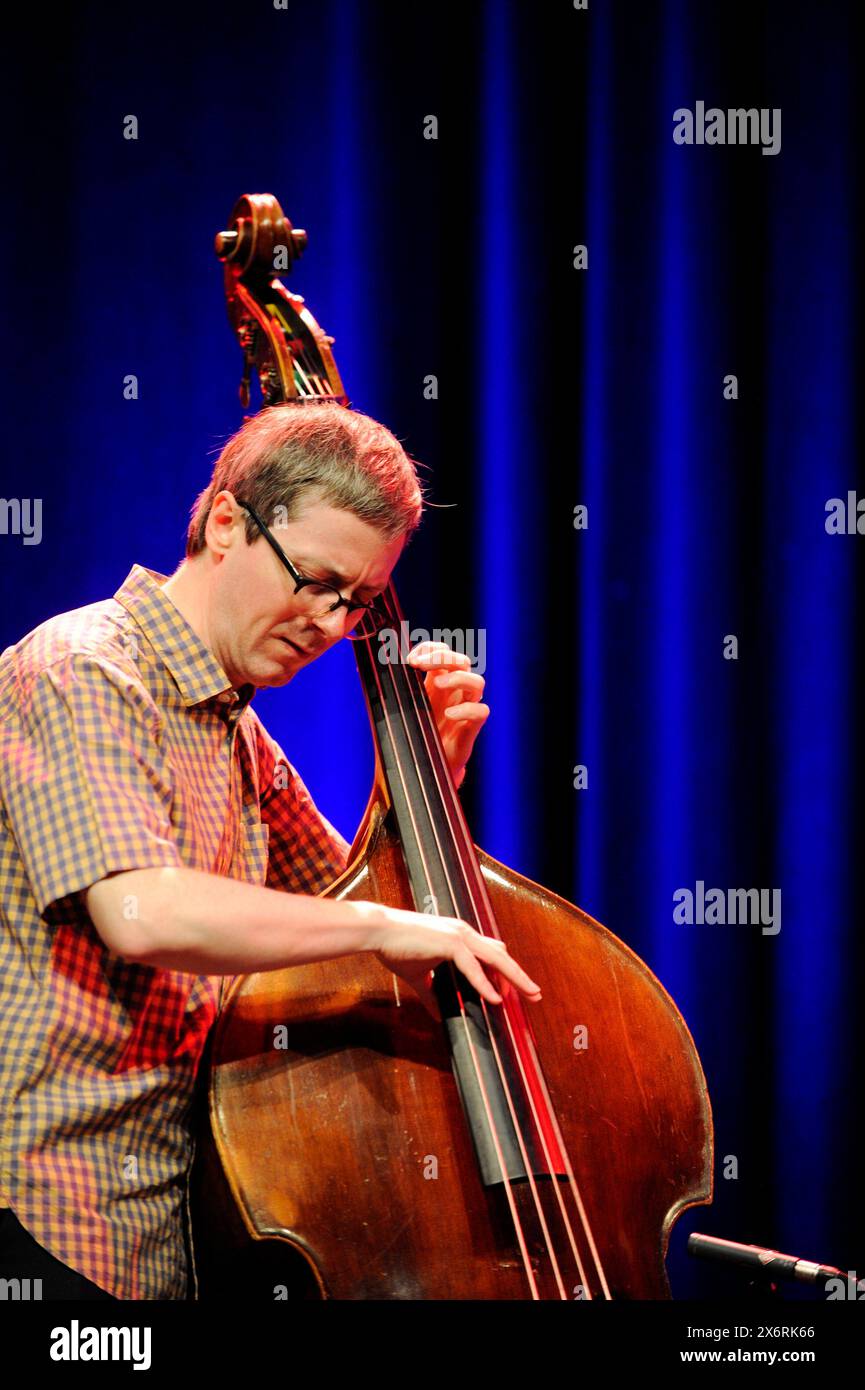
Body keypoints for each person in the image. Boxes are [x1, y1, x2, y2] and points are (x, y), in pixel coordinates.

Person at [0, 401, 541, 1302]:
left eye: (358, 602)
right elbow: (143, 913)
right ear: (225, 522)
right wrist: (383, 924)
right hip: (44, 1221)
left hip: (168, 1225)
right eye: (315, 580)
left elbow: (335, 911)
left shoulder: (239, 738)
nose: (331, 624)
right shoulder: (81, 669)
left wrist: (427, 779)